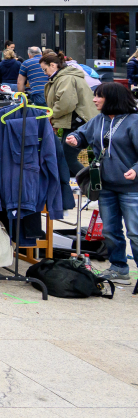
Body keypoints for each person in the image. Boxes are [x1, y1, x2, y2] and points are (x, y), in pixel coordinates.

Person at [67, 82, 138, 282]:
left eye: (99, 96)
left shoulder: (134, 122)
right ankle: (119, 268)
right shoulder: (99, 120)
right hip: (105, 186)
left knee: (135, 232)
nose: (94, 100)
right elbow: (82, 134)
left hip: (132, 189)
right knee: (110, 230)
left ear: (113, 99)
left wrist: (135, 170)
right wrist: (74, 138)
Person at [44, 52, 98, 177]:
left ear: (53, 65)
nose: (44, 73)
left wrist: (51, 115)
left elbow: (66, 103)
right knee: (65, 155)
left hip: (78, 121)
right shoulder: (64, 77)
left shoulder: (66, 78)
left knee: (68, 157)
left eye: (45, 69)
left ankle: (92, 184)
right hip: (76, 121)